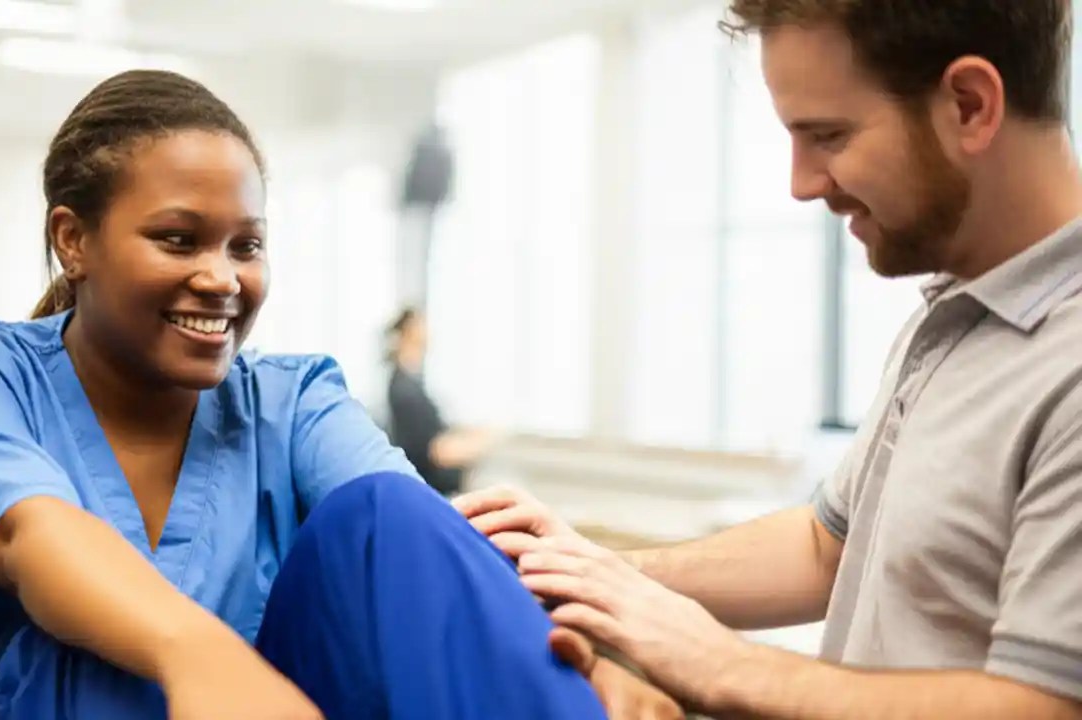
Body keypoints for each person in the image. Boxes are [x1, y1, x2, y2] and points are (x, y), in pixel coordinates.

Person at [0, 69, 678, 719]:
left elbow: (419, 543)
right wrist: (197, 655)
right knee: (95, 652)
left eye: (247, 245)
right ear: (73, 239)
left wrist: (558, 662)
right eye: (178, 238)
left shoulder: (292, 400)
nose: (223, 278)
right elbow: (30, 538)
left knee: (386, 516)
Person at [457, 1, 1082, 718]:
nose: (803, 182)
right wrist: (604, 575)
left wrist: (717, 662)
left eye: (829, 136)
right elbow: (828, 548)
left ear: (969, 105)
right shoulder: (955, 314)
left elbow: (1047, 706)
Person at [384, 307, 497, 496]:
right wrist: (482, 444)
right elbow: (435, 451)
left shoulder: (412, 383)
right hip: (428, 489)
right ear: (408, 332)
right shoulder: (405, 390)